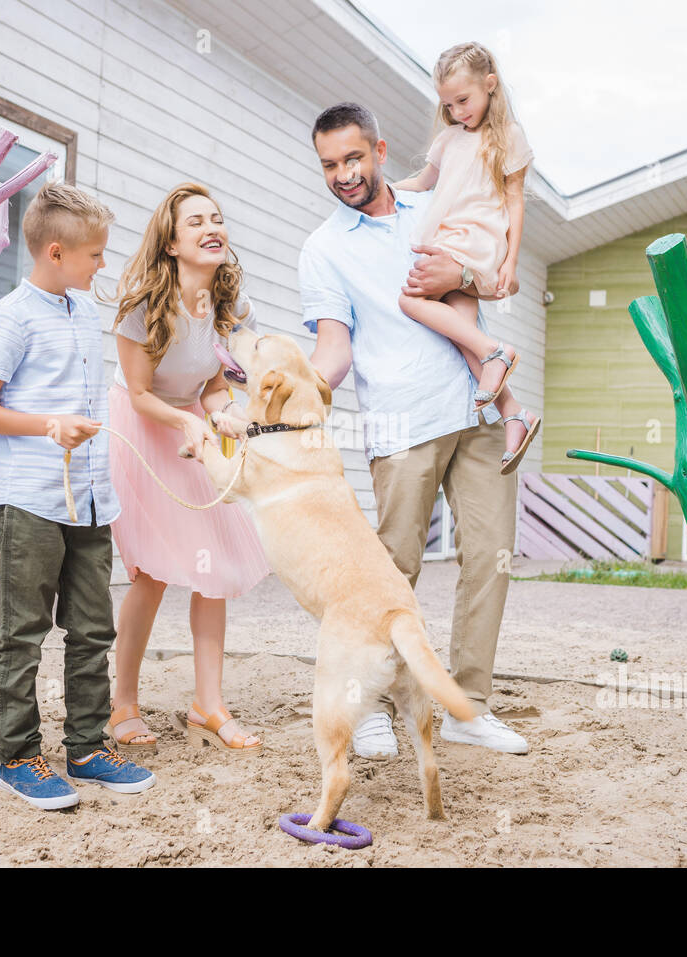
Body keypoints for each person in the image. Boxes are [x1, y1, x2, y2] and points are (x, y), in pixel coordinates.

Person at [300, 102, 530, 757]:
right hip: (402, 425)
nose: (344, 174)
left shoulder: (433, 207)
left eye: (353, 157)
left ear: (378, 147)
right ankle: (368, 704)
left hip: (477, 409)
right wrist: (300, 394)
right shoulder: (324, 249)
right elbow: (335, 349)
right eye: (330, 164)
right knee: (389, 572)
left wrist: (460, 273)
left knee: (489, 560)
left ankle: (467, 707)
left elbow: (491, 274)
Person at [0, 181, 154, 810]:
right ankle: (18, 757)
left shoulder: (84, 312)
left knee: (92, 627)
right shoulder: (11, 318)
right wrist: (49, 425)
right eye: (94, 255)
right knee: (22, 632)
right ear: (55, 252)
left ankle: (88, 746)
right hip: (30, 500)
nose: (102, 264)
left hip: (91, 498)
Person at [106, 182, 270, 759]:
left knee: (214, 569)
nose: (211, 227)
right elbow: (140, 392)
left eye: (217, 218)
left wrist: (224, 416)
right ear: (172, 244)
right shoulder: (143, 306)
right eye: (195, 221)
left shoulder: (230, 307)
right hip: (143, 429)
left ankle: (208, 703)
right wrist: (188, 424)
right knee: (151, 572)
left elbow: (215, 386)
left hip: (190, 433)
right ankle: (123, 702)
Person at [391, 41, 541, 474]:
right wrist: (382, 193)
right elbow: (422, 182)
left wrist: (511, 261)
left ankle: (497, 350)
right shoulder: (448, 140)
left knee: (409, 300)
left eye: (464, 100)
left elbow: (515, 200)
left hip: (473, 241)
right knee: (463, 338)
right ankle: (516, 414)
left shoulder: (509, 136)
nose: (457, 111)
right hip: (449, 238)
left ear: (489, 85)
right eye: (448, 104)